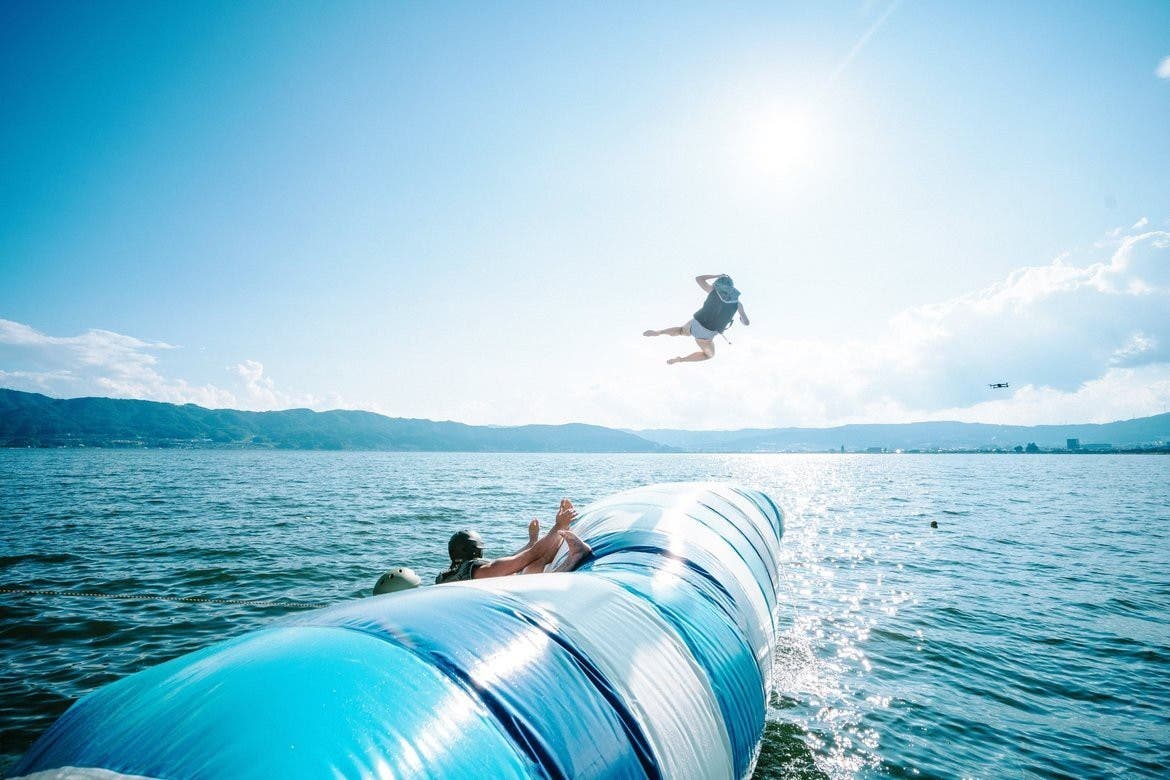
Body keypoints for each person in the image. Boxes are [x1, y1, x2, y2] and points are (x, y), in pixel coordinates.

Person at [435, 499, 592, 583]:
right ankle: (575, 556)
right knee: (536, 562)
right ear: (477, 550)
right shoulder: (481, 571)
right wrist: (559, 525)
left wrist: (532, 541)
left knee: (530, 564)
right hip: (516, 601)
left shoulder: (444, 578)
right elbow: (530, 556)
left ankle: (565, 537)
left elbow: (509, 561)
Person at [644, 274, 749, 364]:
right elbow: (746, 322)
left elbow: (699, 279)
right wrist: (741, 319)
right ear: (731, 287)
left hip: (695, 324)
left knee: (680, 330)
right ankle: (681, 360)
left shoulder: (713, 291)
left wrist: (716, 275)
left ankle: (659, 332)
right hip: (706, 335)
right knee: (708, 355)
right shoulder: (738, 304)